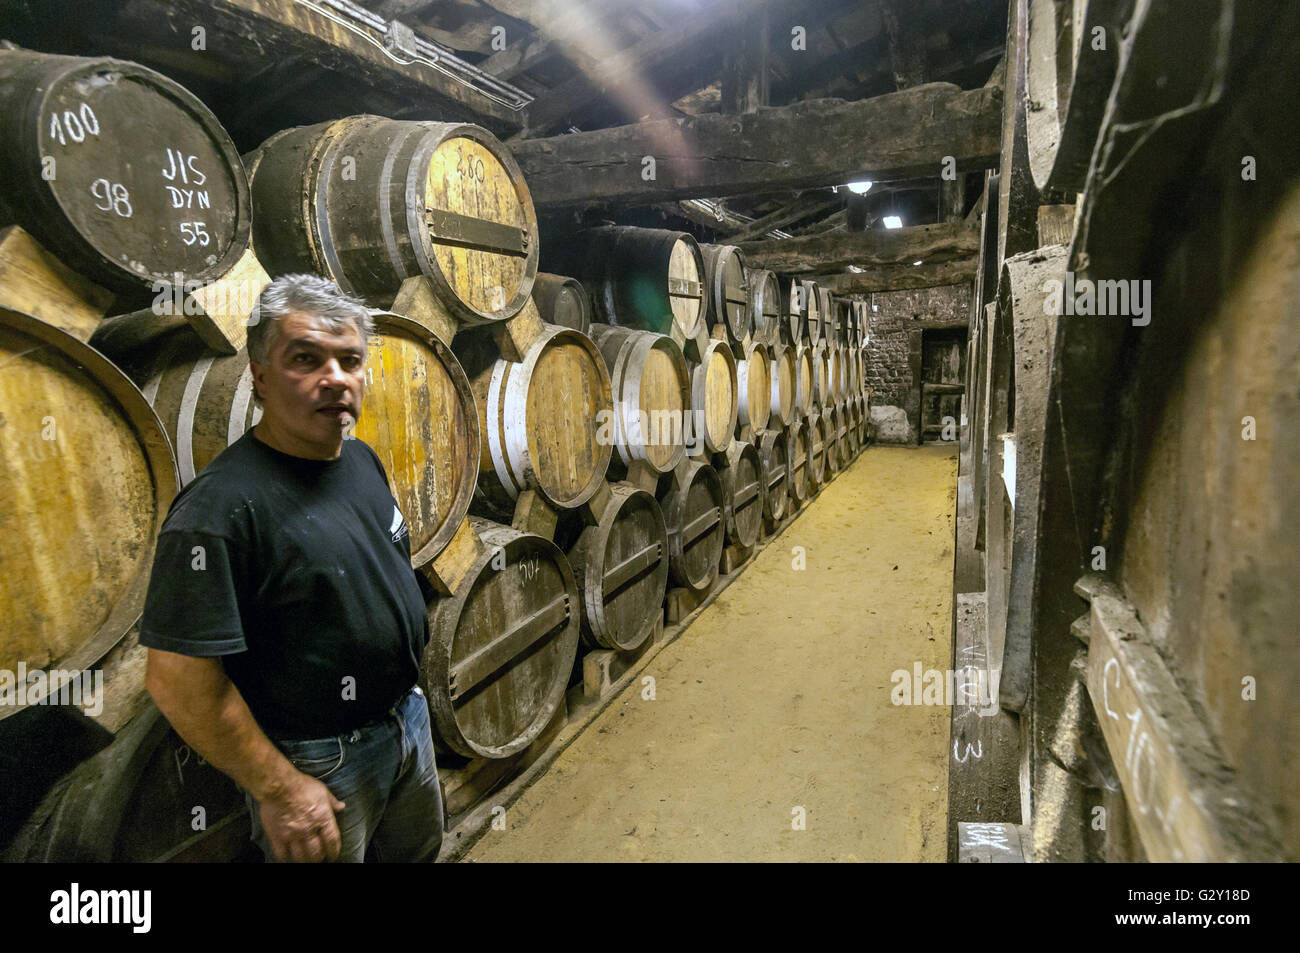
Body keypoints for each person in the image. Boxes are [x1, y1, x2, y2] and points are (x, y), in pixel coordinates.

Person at [139, 273, 443, 863]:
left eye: (349, 361)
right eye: (305, 359)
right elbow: (177, 682)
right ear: (259, 375)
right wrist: (280, 788)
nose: (334, 378)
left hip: (406, 721)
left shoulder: (358, 458)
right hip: (321, 761)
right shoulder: (218, 511)